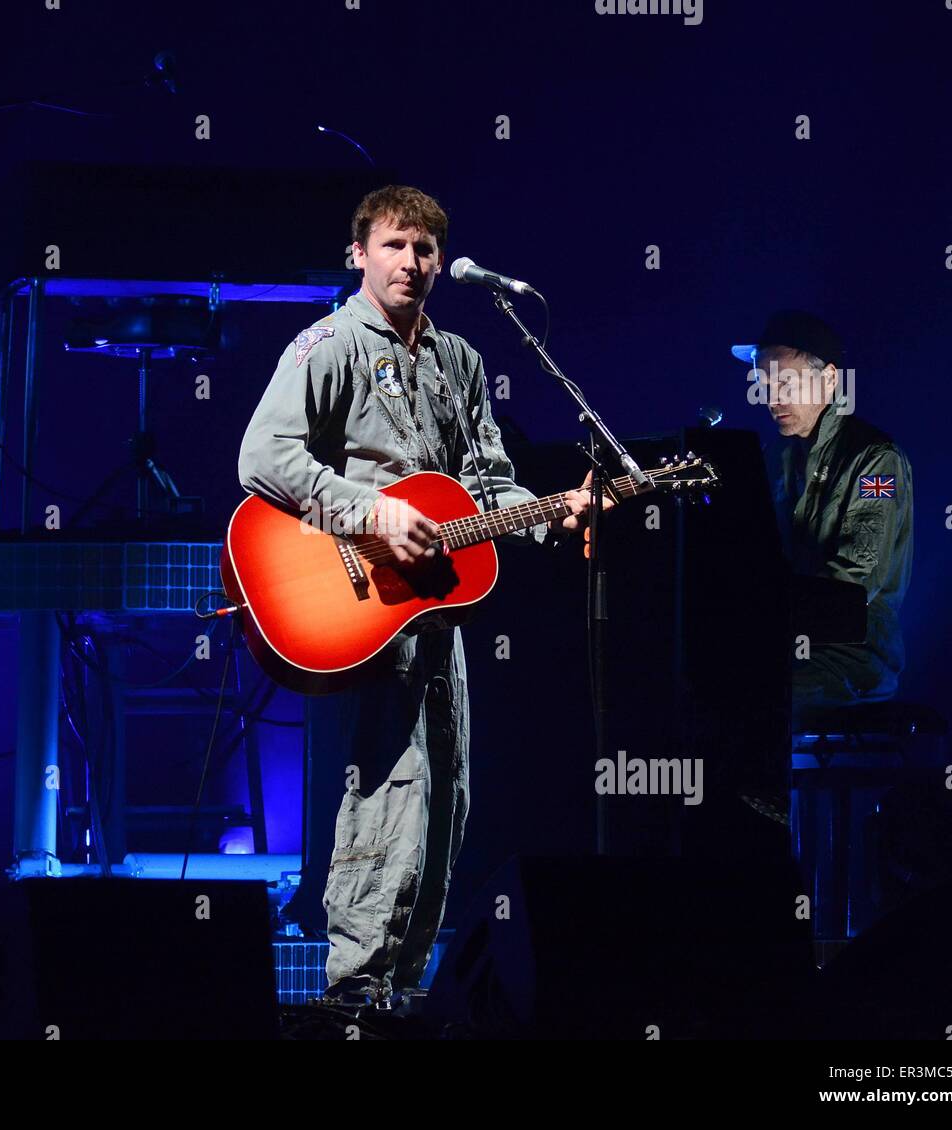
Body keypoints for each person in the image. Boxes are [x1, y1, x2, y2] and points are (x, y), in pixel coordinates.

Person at [237, 185, 593, 1009]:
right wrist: (368, 511)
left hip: (433, 611)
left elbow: (491, 487)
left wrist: (558, 514)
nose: (413, 262)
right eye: (396, 245)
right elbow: (263, 457)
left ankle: (400, 990)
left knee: (448, 795)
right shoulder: (326, 345)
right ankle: (353, 996)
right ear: (359, 254)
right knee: (391, 788)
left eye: (427, 249)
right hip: (356, 598)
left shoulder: (460, 361)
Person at [734, 310, 913, 726]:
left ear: (830, 379)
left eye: (785, 384)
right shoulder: (776, 455)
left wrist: (762, 616)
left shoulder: (875, 458)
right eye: (763, 384)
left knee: (751, 695)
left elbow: (854, 580)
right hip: (786, 641)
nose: (772, 398)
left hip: (853, 655)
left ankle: (759, 793)